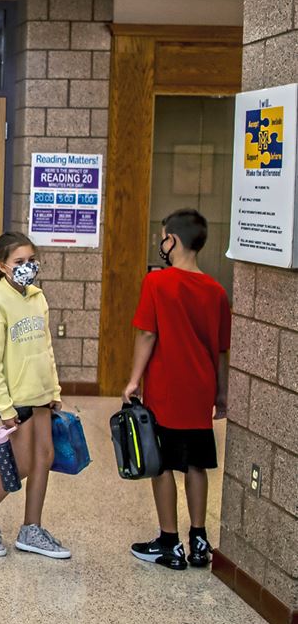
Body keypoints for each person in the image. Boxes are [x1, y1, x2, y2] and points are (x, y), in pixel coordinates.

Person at [125, 209, 230, 571]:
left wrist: (134, 380)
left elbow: (147, 334)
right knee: (196, 464)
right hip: (200, 391)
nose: (162, 243)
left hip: (166, 389)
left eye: (163, 237)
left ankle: (169, 543)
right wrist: (221, 393)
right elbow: (220, 349)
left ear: (173, 240)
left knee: (162, 464)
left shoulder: (158, 283)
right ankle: (199, 540)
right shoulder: (217, 292)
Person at [0, 232, 70, 560]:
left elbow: (46, 348)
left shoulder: (37, 298)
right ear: (2, 266)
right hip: (17, 399)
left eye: (31, 260)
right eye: (19, 261)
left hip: (41, 395)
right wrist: (4, 407)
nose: (27, 266)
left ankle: (31, 529)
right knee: (21, 464)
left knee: (44, 458)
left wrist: (54, 390)